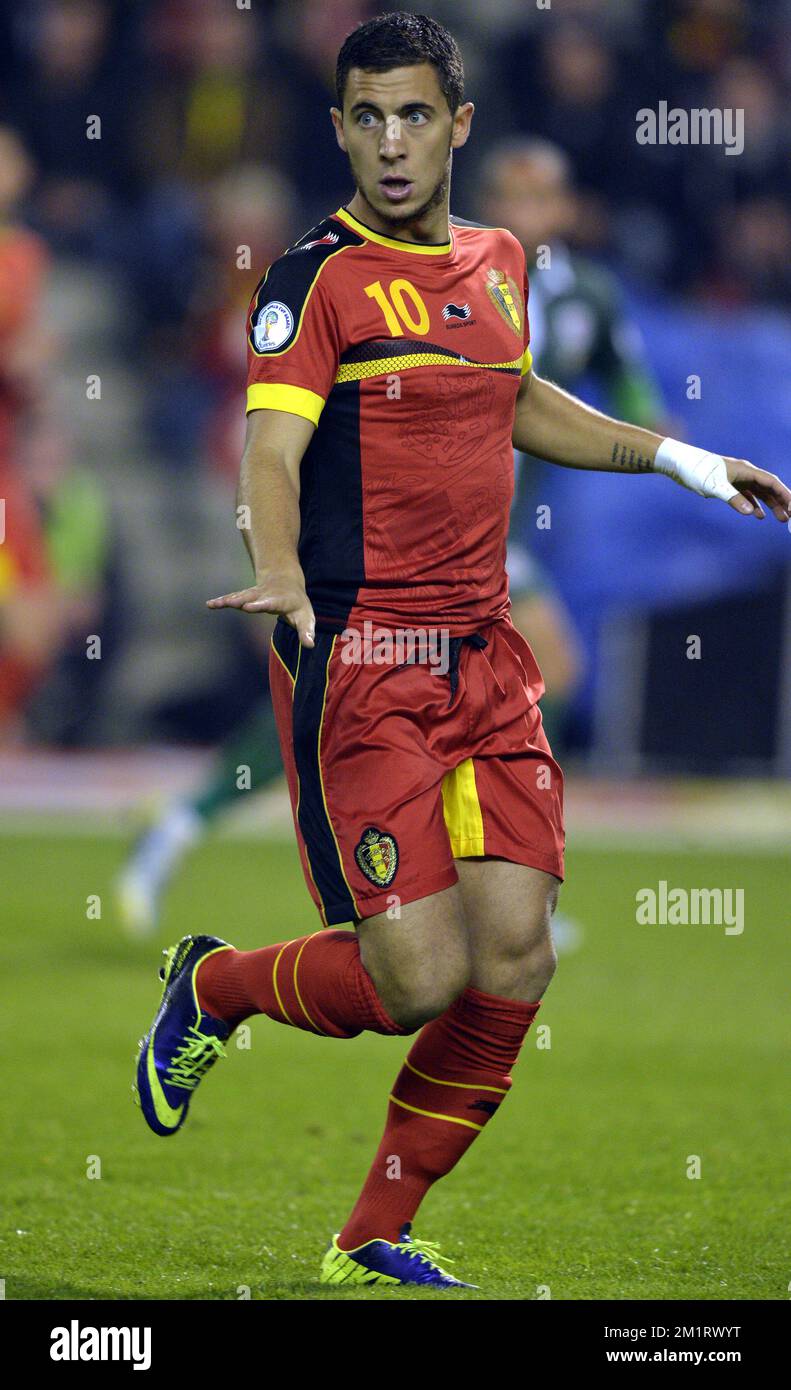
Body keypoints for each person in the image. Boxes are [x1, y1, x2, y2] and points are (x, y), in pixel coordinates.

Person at [133, 12, 790, 1290]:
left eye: (414, 115)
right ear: (338, 129)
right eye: (366, 117)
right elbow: (271, 447)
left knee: (514, 953)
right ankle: (212, 987)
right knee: (414, 980)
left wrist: (683, 459)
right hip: (363, 656)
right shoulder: (310, 280)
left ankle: (372, 1231)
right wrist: (274, 564)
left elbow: (516, 397)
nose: (390, 142)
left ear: (458, 124)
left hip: (483, 654)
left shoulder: (498, 260)